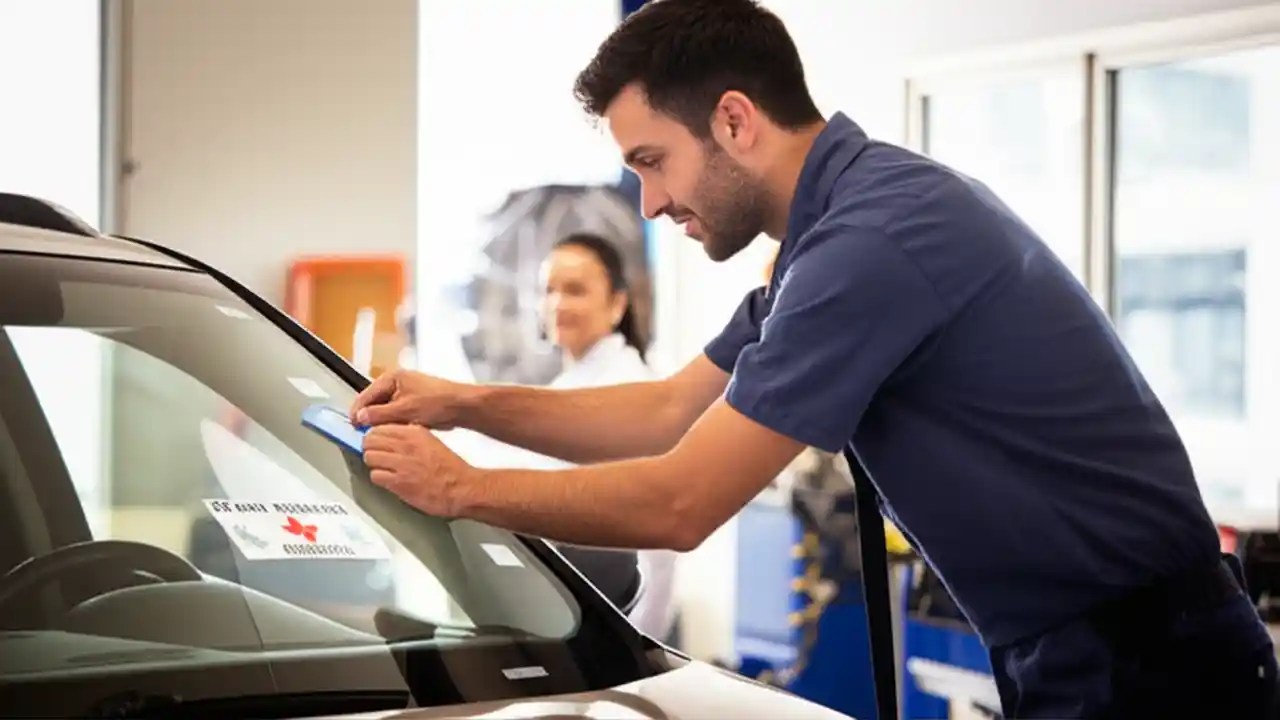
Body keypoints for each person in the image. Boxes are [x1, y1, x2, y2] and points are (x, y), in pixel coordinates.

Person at [350, 1, 1278, 716]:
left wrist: (462, 489)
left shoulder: (875, 240)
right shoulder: (834, 234)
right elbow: (672, 409)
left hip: (1150, 658)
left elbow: (680, 502)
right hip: (1090, 647)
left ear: (735, 121)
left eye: (652, 161)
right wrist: (460, 404)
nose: (647, 203)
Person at [533, 232, 678, 641]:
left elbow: (647, 548)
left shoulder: (627, 388)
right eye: (549, 289)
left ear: (617, 304)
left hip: (619, 621)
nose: (557, 303)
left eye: (576, 290)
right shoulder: (569, 384)